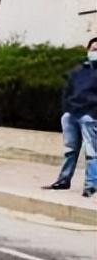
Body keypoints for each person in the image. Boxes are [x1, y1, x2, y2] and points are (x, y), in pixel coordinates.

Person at [44, 36, 97, 197]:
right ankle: (63, 180)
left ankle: (90, 186)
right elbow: (67, 91)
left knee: (92, 153)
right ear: (88, 50)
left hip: (90, 116)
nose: (95, 52)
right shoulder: (78, 70)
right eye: (93, 49)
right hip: (71, 115)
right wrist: (65, 112)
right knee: (70, 151)